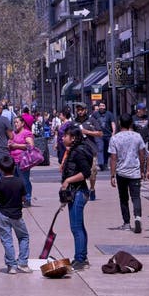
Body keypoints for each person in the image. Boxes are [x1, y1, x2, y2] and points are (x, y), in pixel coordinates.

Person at [0, 154, 32, 274]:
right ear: (14, 167)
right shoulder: (19, 182)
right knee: (23, 237)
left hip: (4, 214)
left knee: (7, 240)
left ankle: (11, 265)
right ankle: (23, 263)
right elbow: (24, 198)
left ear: (0, 169)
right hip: (17, 215)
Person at [60, 126, 93, 270]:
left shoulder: (78, 152)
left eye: (65, 136)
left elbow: (86, 172)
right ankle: (81, 256)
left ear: (72, 138)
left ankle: (80, 259)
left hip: (79, 192)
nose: (62, 138)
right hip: (75, 192)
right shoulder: (73, 151)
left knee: (76, 227)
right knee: (79, 226)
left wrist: (68, 181)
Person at [109, 112, 146, 232]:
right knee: (136, 197)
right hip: (134, 171)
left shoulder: (115, 138)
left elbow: (113, 158)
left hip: (121, 173)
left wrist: (112, 175)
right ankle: (138, 217)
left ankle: (126, 223)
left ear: (119, 124)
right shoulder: (137, 136)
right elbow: (142, 155)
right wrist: (142, 170)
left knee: (123, 198)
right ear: (131, 123)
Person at [73, 103, 102, 200]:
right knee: (80, 171)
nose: (80, 111)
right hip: (79, 151)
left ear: (85, 110)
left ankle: (92, 188)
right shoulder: (74, 122)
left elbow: (100, 133)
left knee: (92, 172)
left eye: (81, 109)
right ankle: (82, 190)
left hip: (91, 150)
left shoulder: (92, 120)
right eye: (78, 110)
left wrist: (87, 132)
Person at [8, 114, 35, 206]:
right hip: (13, 160)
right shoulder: (13, 133)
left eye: (17, 122)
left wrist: (16, 146)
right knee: (15, 182)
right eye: (14, 122)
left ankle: (27, 199)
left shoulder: (26, 133)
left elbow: (30, 146)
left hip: (22, 161)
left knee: (24, 180)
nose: (15, 124)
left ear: (22, 123)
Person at [96, 101, 116, 170]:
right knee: (100, 148)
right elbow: (91, 123)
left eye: (103, 106)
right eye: (100, 106)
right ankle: (101, 163)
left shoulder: (109, 114)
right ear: (98, 107)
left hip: (108, 135)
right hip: (99, 134)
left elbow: (112, 123)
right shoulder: (95, 114)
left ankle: (105, 163)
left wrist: (113, 132)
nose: (101, 107)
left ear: (105, 107)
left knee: (107, 150)